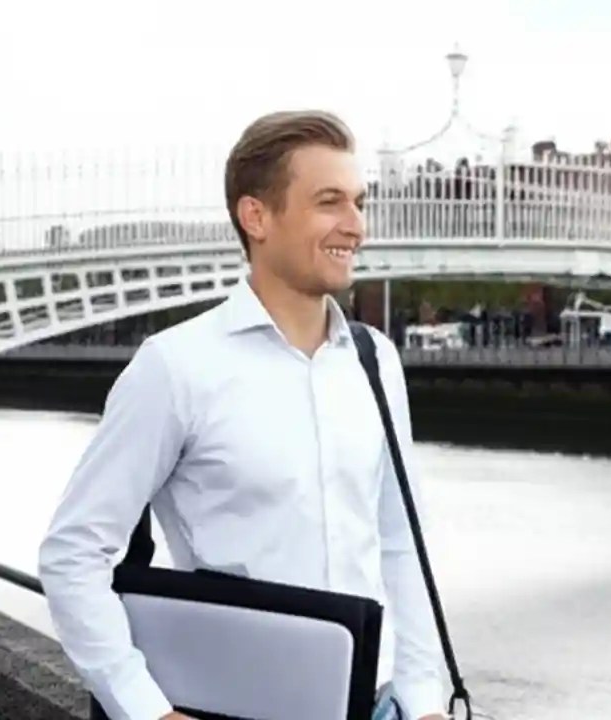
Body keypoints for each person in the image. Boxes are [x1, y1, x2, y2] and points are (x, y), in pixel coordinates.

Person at [38, 110, 447, 720]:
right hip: (239, 708)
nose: (356, 225)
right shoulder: (177, 367)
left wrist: (424, 700)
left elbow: (402, 542)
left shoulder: (374, 360)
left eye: (359, 202)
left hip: (378, 707)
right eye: (329, 202)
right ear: (256, 216)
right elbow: (72, 553)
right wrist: (145, 709)